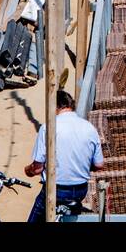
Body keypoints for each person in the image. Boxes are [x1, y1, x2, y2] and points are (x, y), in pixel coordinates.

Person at [23, 89, 104, 221]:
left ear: (54, 107)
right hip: (80, 190)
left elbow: (37, 168)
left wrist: (28, 170)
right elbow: (99, 165)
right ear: (71, 105)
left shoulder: (48, 127)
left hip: (56, 190)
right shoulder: (89, 128)